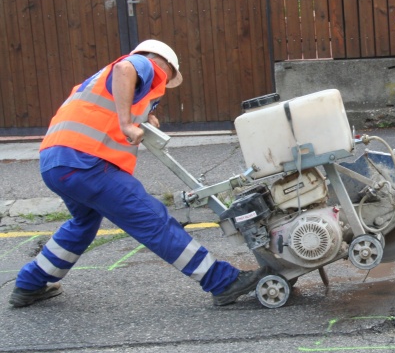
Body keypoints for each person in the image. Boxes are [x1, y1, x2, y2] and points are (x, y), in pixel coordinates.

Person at [9, 40, 263, 308]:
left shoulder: (98, 81)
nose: (162, 89)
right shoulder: (145, 64)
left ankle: (29, 284)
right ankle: (221, 281)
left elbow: (110, 101)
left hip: (55, 162)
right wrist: (126, 123)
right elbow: (125, 70)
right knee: (152, 219)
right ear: (165, 66)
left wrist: (143, 116)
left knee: (83, 224)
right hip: (87, 163)